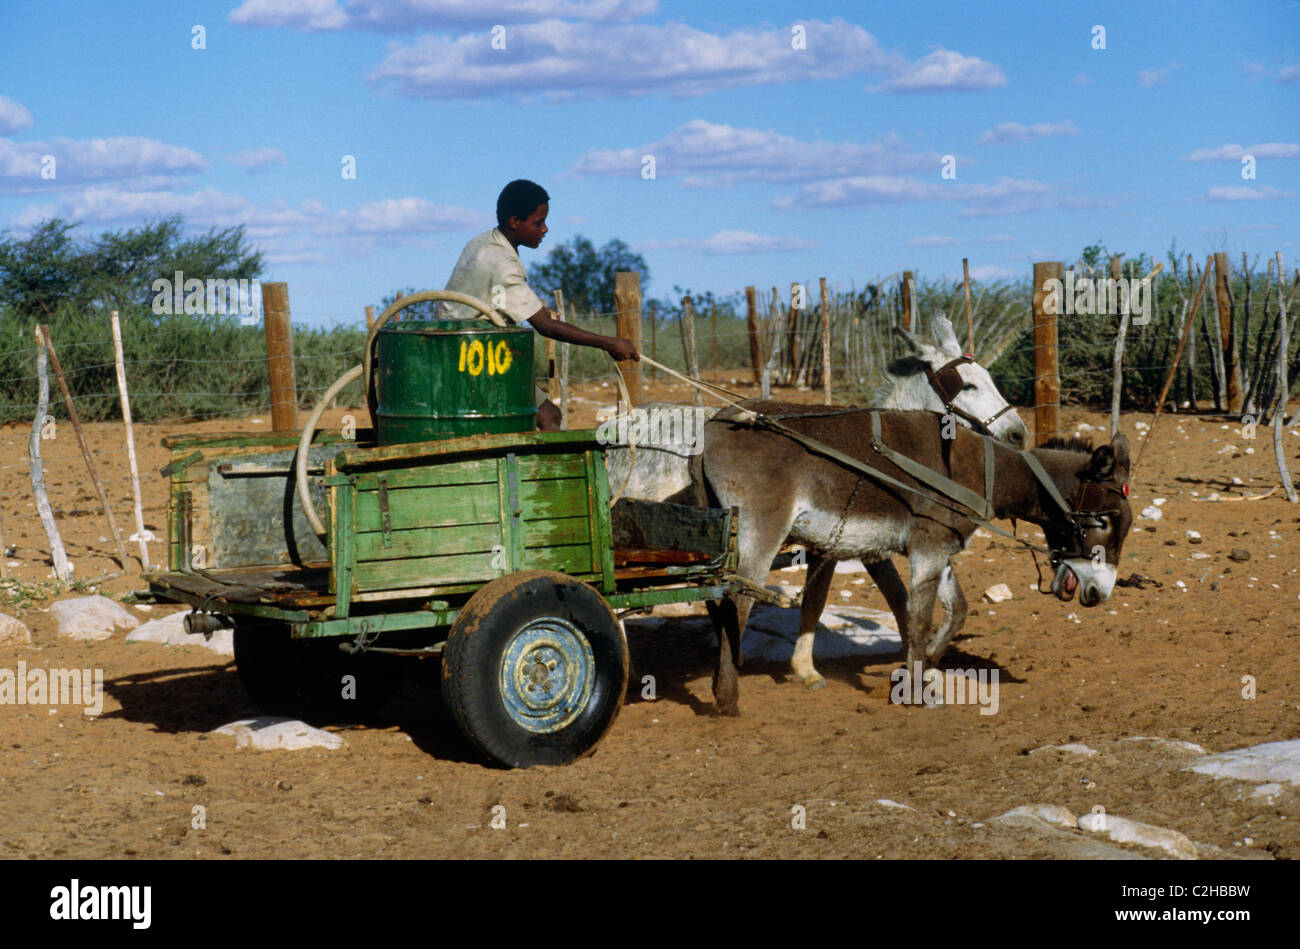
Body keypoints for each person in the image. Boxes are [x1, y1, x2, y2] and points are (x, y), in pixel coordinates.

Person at [437, 179, 639, 430]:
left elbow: (493, 298)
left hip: (453, 351)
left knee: (546, 414)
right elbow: (544, 327)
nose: (545, 229)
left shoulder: (483, 243)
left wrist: (536, 311)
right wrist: (610, 344)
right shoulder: (502, 262)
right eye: (538, 222)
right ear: (514, 222)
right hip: (473, 360)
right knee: (548, 416)